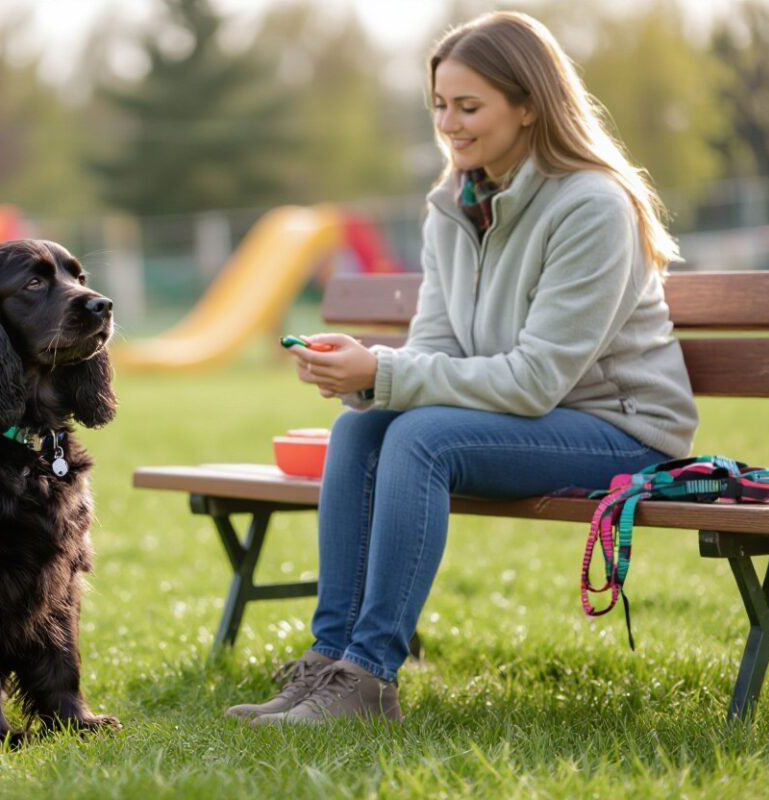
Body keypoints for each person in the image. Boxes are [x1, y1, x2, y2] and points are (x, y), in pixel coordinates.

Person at [225, 10, 698, 725]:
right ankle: (328, 663)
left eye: (469, 106)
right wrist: (364, 374)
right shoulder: (453, 204)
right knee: (363, 430)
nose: (449, 123)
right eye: (440, 105)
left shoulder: (592, 206)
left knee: (421, 438)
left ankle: (370, 676)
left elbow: (538, 379)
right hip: (533, 418)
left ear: (530, 105)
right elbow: (437, 348)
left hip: (623, 431)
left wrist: (379, 370)